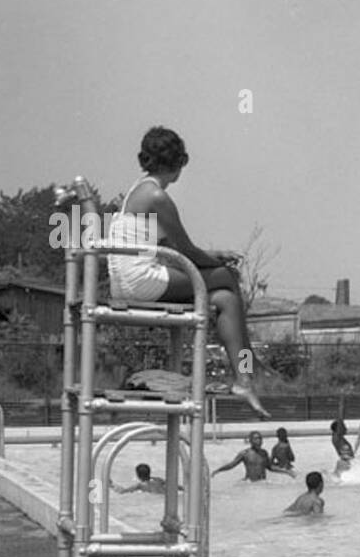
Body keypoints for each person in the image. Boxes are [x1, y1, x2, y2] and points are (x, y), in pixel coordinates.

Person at [106, 126, 269, 418]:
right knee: (228, 279)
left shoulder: (138, 190)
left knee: (224, 299)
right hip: (140, 281)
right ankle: (247, 366)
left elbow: (171, 246)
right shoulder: (158, 196)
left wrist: (216, 255)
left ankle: (244, 376)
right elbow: (187, 251)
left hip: (127, 279)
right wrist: (218, 263)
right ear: (180, 162)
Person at [214, 431, 290, 482]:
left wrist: (287, 472)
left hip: (262, 483)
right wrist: (218, 470)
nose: (259, 440)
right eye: (256, 438)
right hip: (250, 483)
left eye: (260, 438)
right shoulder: (245, 453)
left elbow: (270, 467)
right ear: (250, 440)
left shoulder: (264, 453)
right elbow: (232, 465)